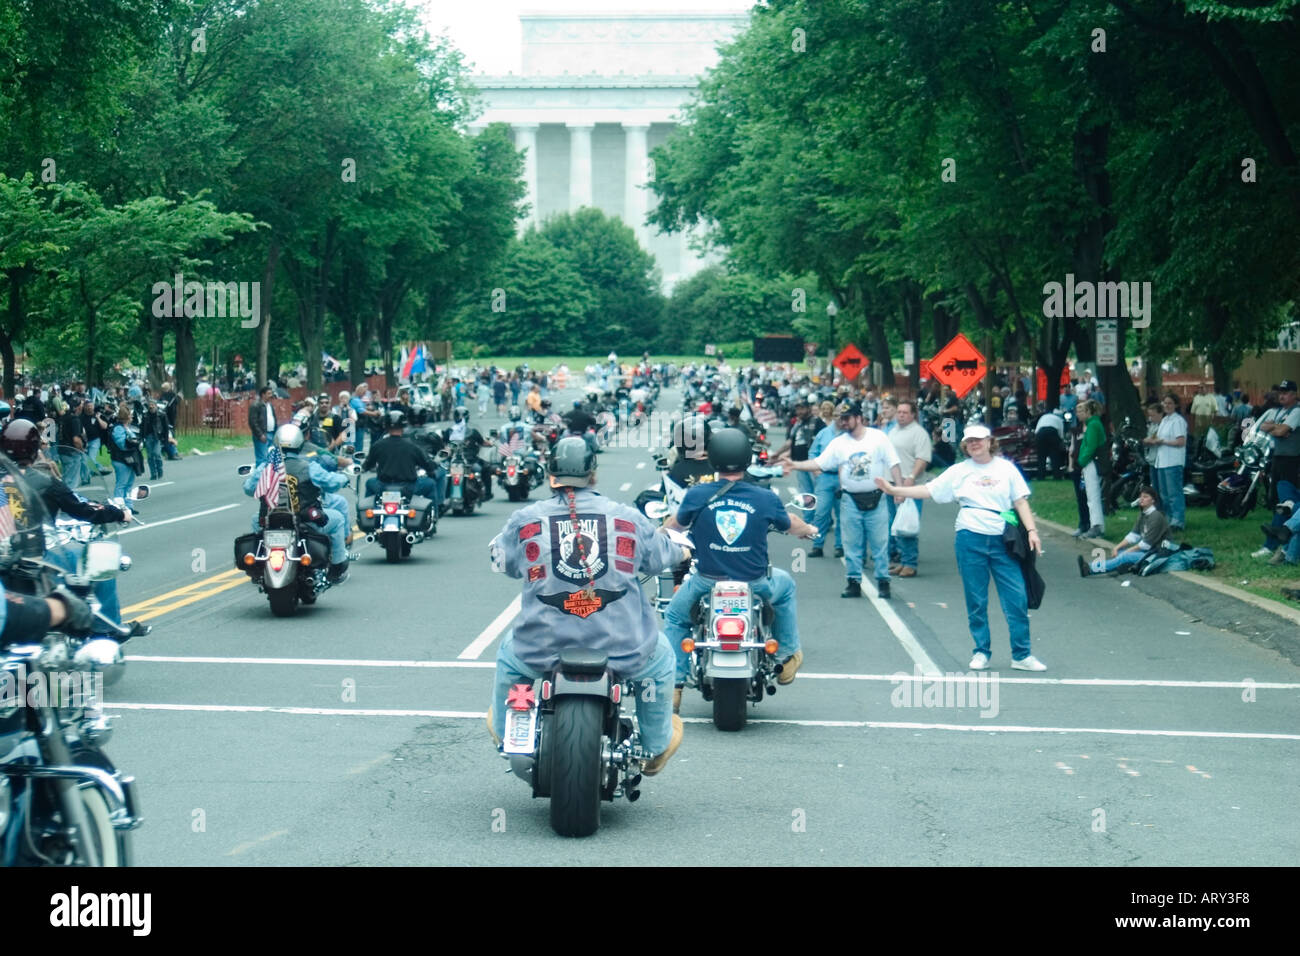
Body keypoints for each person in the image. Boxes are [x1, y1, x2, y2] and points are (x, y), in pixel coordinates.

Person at [485, 437, 686, 776]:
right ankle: (654, 747)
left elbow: (503, 562)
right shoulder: (628, 519)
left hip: (541, 647)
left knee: (509, 656)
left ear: (551, 474)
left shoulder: (526, 520)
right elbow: (658, 558)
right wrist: (682, 551)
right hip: (623, 647)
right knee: (662, 658)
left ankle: (508, 733)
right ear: (593, 474)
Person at [663, 428, 815, 710]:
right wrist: (808, 530)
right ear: (747, 459)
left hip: (707, 582)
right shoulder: (764, 497)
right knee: (786, 586)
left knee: (675, 616)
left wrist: (657, 532)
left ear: (714, 459)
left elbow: (677, 523)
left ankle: (674, 688)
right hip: (755, 583)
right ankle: (787, 655)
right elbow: (790, 522)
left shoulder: (697, 495)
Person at [876, 423, 1047, 671]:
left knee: (1016, 596)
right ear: (965, 446)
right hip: (970, 537)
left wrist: (1032, 531)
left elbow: (1020, 502)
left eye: (979, 440)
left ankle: (1021, 654)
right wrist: (894, 489)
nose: (975, 444)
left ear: (990, 441)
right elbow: (928, 490)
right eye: (970, 441)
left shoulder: (1006, 468)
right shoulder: (959, 471)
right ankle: (981, 651)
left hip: (1003, 539)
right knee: (976, 598)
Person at [788, 400, 902, 598]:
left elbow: (894, 463)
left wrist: (899, 490)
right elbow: (818, 462)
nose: (843, 422)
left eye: (847, 418)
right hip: (850, 499)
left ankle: (883, 582)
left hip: (876, 497)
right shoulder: (839, 442)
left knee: (879, 543)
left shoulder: (878, 438)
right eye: (841, 418)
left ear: (859, 418)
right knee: (852, 543)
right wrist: (795, 465)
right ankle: (853, 582)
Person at [242, 424, 351, 584]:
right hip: (305, 520)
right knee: (338, 519)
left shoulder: (266, 467)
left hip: (271, 521)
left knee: (254, 520)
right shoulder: (309, 468)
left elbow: (249, 489)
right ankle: (336, 568)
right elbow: (331, 483)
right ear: (300, 445)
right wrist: (344, 478)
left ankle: (257, 569)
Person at [1077, 486, 1171, 576]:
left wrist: (1128, 551)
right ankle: (1124, 566)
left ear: (1153, 501)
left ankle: (1090, 569)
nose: (1141, 499)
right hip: (1147, 551)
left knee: (1124, 556)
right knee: (1120, 552)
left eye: (1145, 497)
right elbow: (1133, 536)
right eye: (1141, 496)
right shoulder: (1143, 514)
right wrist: (1117, 547)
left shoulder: (1156, 517)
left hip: (1156, 554)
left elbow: (1146, 544)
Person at [362, 411, 444, 513]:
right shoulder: (412, 447)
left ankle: (369, 513)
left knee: (369, 483)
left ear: (386, 426)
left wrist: (362, 467)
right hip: (409, 488)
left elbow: (367, 465)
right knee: (430, 484)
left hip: (383, 486)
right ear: (403, 426)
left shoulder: (378, 445)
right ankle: (433, 517)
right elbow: (428, 465)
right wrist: (435, 463)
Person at [887, 400, 933, 578]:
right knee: (895, 524)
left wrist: (911, 477)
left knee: (907, 524)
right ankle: (902, 560)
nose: (901, 415)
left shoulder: (919, 433)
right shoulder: (893, 431)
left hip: (910, 485)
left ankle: (910, 563)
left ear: (913, 414)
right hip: (891, 483)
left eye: (905, 412)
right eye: (899, 412)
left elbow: (922, 458)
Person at [805, 399, 843, 558]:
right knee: (821, 513)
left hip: (843, 479)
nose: (838, 418)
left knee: (843, 514)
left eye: (841, 415)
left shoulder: (849, 435)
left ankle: (840, 546)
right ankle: (817, 545)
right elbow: (813, 453)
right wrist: (815, 470)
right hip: (825, 477)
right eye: (836, 415)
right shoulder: (824, 433)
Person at [1146, 392, 1188, 532]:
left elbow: (1181, 441)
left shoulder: (1178, 421)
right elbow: (1158, 437)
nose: (1167, 406)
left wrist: (1163, 441)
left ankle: (1178, 520)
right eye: (1165, 403)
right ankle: (1168, 518)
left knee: (1174, 493)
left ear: (1175, 405)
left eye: (1170, 403)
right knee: (1164, 494)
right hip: (1161, 462)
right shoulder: (1164, 420)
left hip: (1173, 461)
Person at [1074, 399, 1106, 539]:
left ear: (1088, 411)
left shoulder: (1093, 425)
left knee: (1093, 496)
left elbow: (1090, 446)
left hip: (1091, 463)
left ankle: (1097, 525)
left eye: (1083, 411)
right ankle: (1096, 525)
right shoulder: (1094, 424)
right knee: (1092, 495)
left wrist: (1081, 461)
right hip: (1091, 462)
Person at [104, 404, 140, 500]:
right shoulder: (118, 428)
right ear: (126, 416)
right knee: (121, 484)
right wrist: (133, 443)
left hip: (129, 459)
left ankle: (128, 506)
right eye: (130, 415)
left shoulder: (126, 427)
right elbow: (122, 445)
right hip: (120, 459)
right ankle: (119, 507)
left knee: (129, 484)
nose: (132, 417)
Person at [1033, 403, 1067, 479]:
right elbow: (1061, 433)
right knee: (1054, 456)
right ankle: (1057, 475)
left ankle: (1041, 476)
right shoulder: (1059, 419)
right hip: (1052, 433)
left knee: (1041, 456)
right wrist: (1061, 442)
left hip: (1040, 434)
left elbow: (1037, 430)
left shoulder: (1044, 417)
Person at [249, 386, 276, 466]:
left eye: (271, 393)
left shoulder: (270, 405)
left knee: (270, 458)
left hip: (271, 433)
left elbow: (273, 418)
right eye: (269, 393)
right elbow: (253, 422)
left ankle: (268, 476)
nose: (271, 395)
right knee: (262, 459)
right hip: (262, 434)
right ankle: (259, 476)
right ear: (263, 395)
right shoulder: (256, 405)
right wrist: (260, 434)